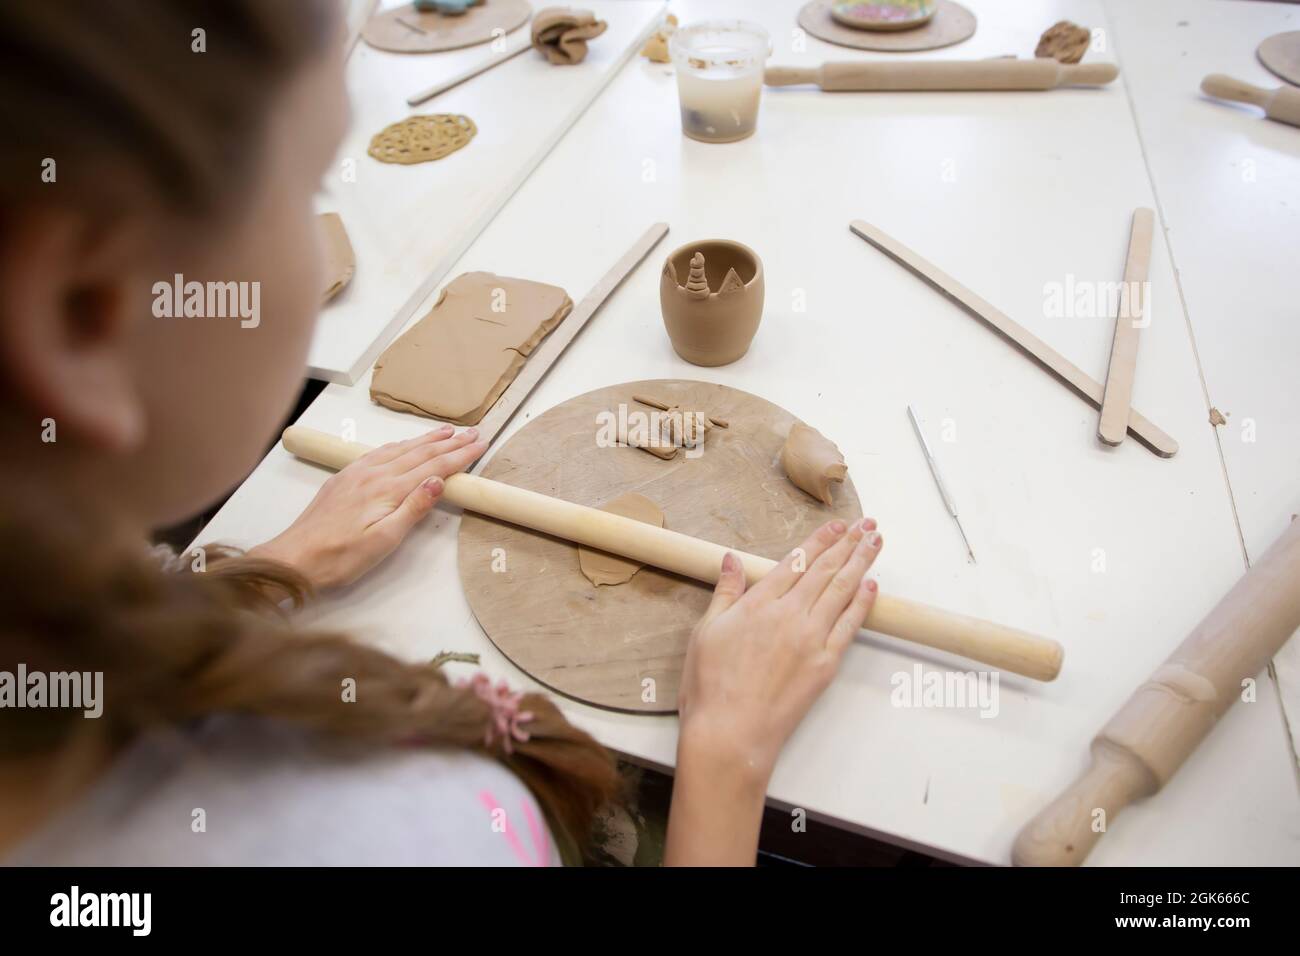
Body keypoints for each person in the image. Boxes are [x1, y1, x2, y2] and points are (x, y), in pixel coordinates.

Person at [0, 0, 882, 866]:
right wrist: (728, 758)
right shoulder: (401, 827)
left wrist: (272, 569)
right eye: (308, 189)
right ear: (80, 312)